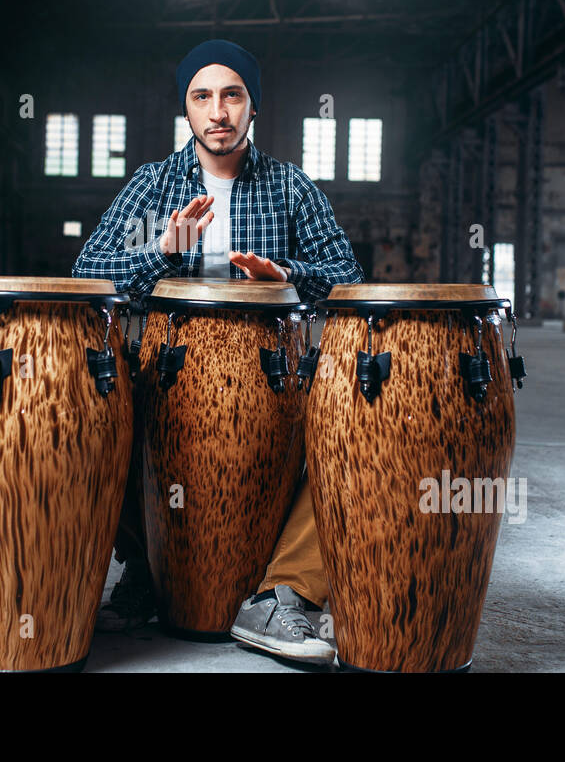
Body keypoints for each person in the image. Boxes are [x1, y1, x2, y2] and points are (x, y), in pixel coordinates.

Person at [71, 39, 362, 666]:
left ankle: (283, 594)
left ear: (253, 106)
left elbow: (348, 275)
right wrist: (162, 255)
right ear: (187, 110)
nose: (218, 111)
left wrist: (285, 273)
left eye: (232, 95)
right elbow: (90, 268)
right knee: (95, 429)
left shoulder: (288, 187)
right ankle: (148, 565)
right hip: (167, 372)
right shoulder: (155, 187)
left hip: (273, 375)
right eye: (202, 97)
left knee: (351, 443)